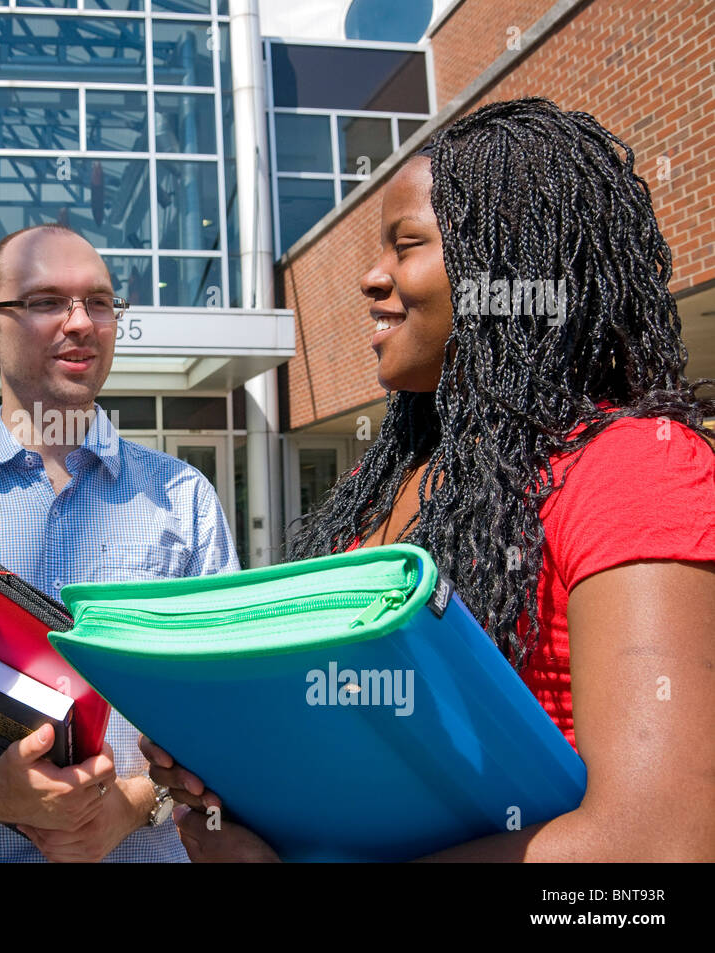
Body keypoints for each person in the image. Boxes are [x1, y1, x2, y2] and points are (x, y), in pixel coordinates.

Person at [142, 97, 715, 862]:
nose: (372, 278)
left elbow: (655, 848)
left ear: (507, 267)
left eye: (405, 244)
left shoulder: (633, 466)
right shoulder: (387, 483)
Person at [0, 223, 239, 862]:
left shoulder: (184, 499)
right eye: (46, 302)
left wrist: (133, 805)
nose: (81, 322)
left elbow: (223, 712)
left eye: (100, 302)